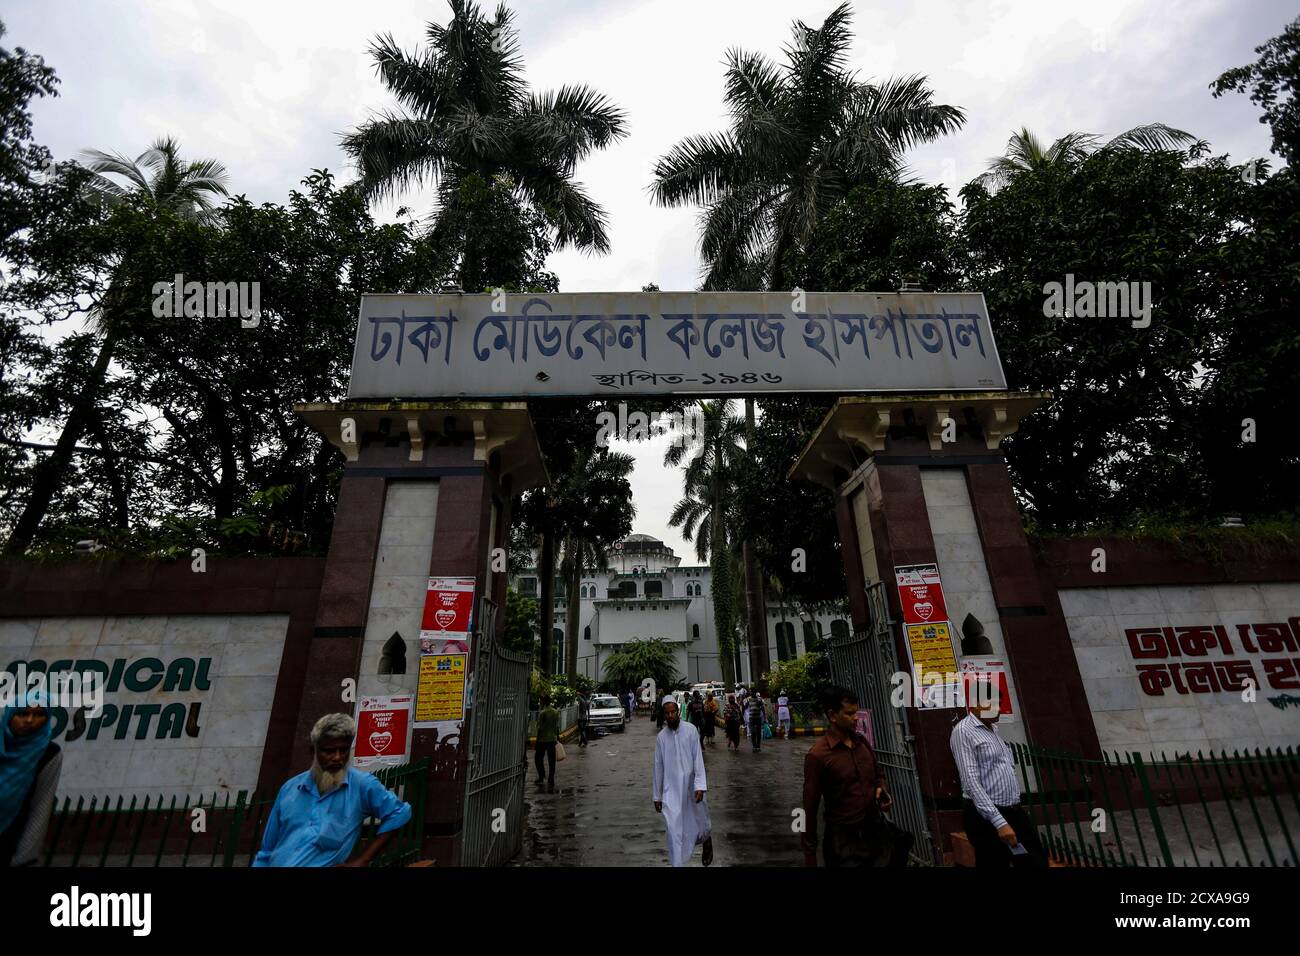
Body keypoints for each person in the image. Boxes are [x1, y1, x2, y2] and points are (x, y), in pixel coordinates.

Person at [254, 713, 411, 867]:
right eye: (329, 751)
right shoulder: (290, 788)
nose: (337, 757)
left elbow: (399, 813)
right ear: (313, 752)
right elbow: (267, 850)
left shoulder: (361, 785)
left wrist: (362, 860)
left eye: (343, 750)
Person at [802, 685, 907, 867]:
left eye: (856, 713)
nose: (855, 718)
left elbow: (878, 774)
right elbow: (809, 807)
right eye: (849, 714)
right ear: (832, 715)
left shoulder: (862, 743)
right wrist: (810, 853)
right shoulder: (818, 756)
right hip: (843, 842)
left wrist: (882, 790)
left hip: (875, 834)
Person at [950, 678, 1047, 867]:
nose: (999, 709)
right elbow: (971, 780)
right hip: (985, 816)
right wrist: (999, 822)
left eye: (999, 704)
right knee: (994, 862)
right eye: (993, 704)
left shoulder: (992, 728)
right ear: (977, 704)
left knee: (1035, 859)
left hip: (1013, 810)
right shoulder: (963, 732)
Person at [1, 692, 62, 867]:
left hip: (8, 838)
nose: (29, 720)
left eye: (38, 715)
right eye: (22, 714)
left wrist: (25, 858)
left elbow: (41, 806)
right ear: (10, 715)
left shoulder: (48, 754)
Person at [653, 698, 713, 867]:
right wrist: (657, 796)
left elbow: (698, 760)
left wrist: (700, 785)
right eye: (667, 713)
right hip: (670, 790)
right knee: (673, 830)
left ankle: (707, 840)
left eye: (673, 712)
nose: (671, 715)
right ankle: (676, 864)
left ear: (678, 711)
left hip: (692, 786)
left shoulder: (691, 730)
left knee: (700, 822)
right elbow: (658, 767)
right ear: (664, 715)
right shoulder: (661, 738)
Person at [535, 695, 560, 792]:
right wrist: (557, 738)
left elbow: (540, 729)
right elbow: (557, 726)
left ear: (543, 702)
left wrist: (537, 741)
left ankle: (541, 776)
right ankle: (551, 778)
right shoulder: (555, 712)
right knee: (552, 760)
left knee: (538, 759)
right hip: (552, 739)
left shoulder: (543, 713)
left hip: (542, 740)